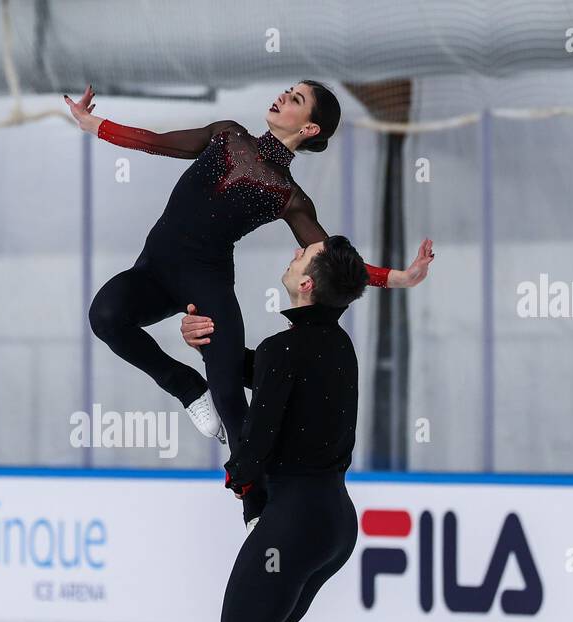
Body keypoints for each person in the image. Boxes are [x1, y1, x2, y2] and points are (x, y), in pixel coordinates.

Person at [65, 81, 433, 527]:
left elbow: (334, 262)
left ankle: (256, 509)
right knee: (105, 315)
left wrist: (398, 277)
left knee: (229, 395)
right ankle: (185, 387)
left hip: (208, 284)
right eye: (288, 90)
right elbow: (157, 143)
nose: (283, 96)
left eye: (295, 99)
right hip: (154, 272)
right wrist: (93, 125)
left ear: (310, 126)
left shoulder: (289, 196)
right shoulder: (227, 133)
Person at [170, 235, 369, 622]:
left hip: (294, 521)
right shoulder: (336, 346)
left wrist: (239, 476)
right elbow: (274, 372)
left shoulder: (289, 349)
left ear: (307, 284)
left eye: (303, 258)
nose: (293, 258)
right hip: (331, 521)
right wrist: (216, 346)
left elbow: (257, 438)